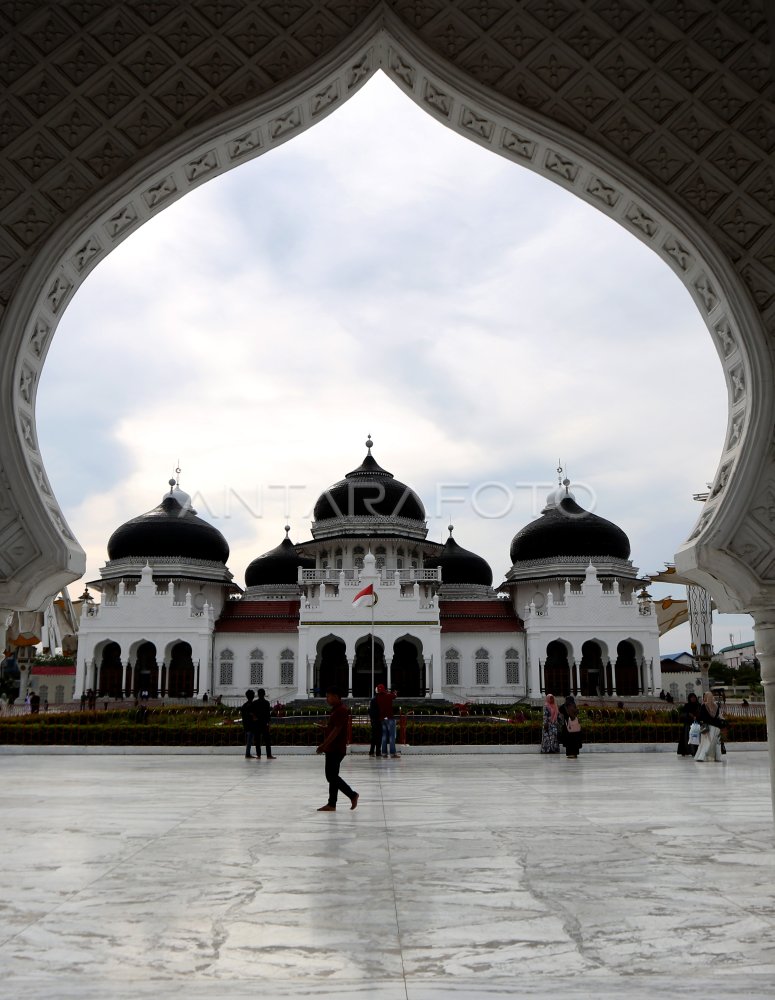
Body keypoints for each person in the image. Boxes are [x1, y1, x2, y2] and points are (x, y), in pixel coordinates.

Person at [316, 686, 358, 811]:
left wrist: (324, 745)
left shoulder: (341, 710)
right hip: (333, 748)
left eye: (328, 696)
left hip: (335, 748)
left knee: (331, 777)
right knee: (333, 776)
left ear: (335, 696)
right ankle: (332, 804)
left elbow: (337, 730)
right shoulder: (336, 710)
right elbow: (333, 728)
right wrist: (325, 728)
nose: (326, 699)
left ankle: (352, 794)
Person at [695, 690, 725, 763]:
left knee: (705, 742)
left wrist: (697, 720)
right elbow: (717, 716)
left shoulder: (704, 705)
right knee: (716, 742)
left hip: (706, 726)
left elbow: (701, 717)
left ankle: (701, 757)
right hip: (716, 727)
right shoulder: (716, 706)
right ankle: (717, 757)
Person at [376, 683, 399, 758]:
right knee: (391, 736)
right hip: (389, 718)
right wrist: (394, 692)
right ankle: (392, 753)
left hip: (382, 719)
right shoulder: (388, 695)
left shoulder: (378, 697)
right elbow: (394, 696)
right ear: (384, 689)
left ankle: (384, 753)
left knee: (384, 736)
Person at [677, 691, 701, 756]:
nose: (693, 699)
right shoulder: (687, 706)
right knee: (687, 738)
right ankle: (687, 751)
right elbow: (682, 714)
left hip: (696, 725)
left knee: (696, 738)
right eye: (692, 698)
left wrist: (697, 717)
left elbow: (701, 714)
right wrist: (688, 714)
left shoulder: (698, 705)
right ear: (689, 698)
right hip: (688, 724)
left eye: (694, 697)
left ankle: (695, 751)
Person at [254, 688, 275, 759]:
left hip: (257, 723)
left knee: (257, 740)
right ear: (264, 694)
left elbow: (253, 713)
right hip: (264, 723)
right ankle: (269, 755)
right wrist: (269, 723)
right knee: (267, 740)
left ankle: (258, 755)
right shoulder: (266, 703)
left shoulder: (255, 703)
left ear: (258, 694)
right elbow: (268, 715)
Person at [240, 689, 258, 758]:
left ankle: (248, 753)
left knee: (249, 740)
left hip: (246, 724)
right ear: (252, 696)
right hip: (251, 725)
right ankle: (247, 754)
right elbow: (252, 715)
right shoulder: (251, 705)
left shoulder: (244, 705)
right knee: (250, 740)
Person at [368, 687, 382, 757]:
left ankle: (371, 751)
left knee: (374, 736)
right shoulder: (378, 700)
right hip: (377, 720)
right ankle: (378, 752)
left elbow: (370, 711)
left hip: (373, 720)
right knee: (378, 736)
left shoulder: (373, 700)